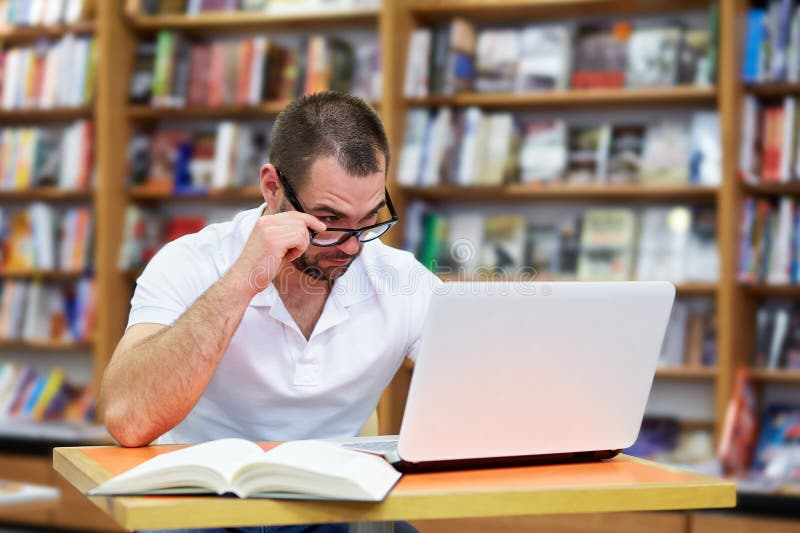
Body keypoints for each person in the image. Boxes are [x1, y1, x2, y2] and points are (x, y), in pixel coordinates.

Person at [98, 91, 440, 533]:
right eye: (328, 220)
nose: (352, 246)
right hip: (201, 510)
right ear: (272, 188)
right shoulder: (190, 261)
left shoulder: (397, 277)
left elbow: (486, 385)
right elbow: (127, 419)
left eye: (369, 218)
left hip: (336, 509)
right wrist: (244, 279)